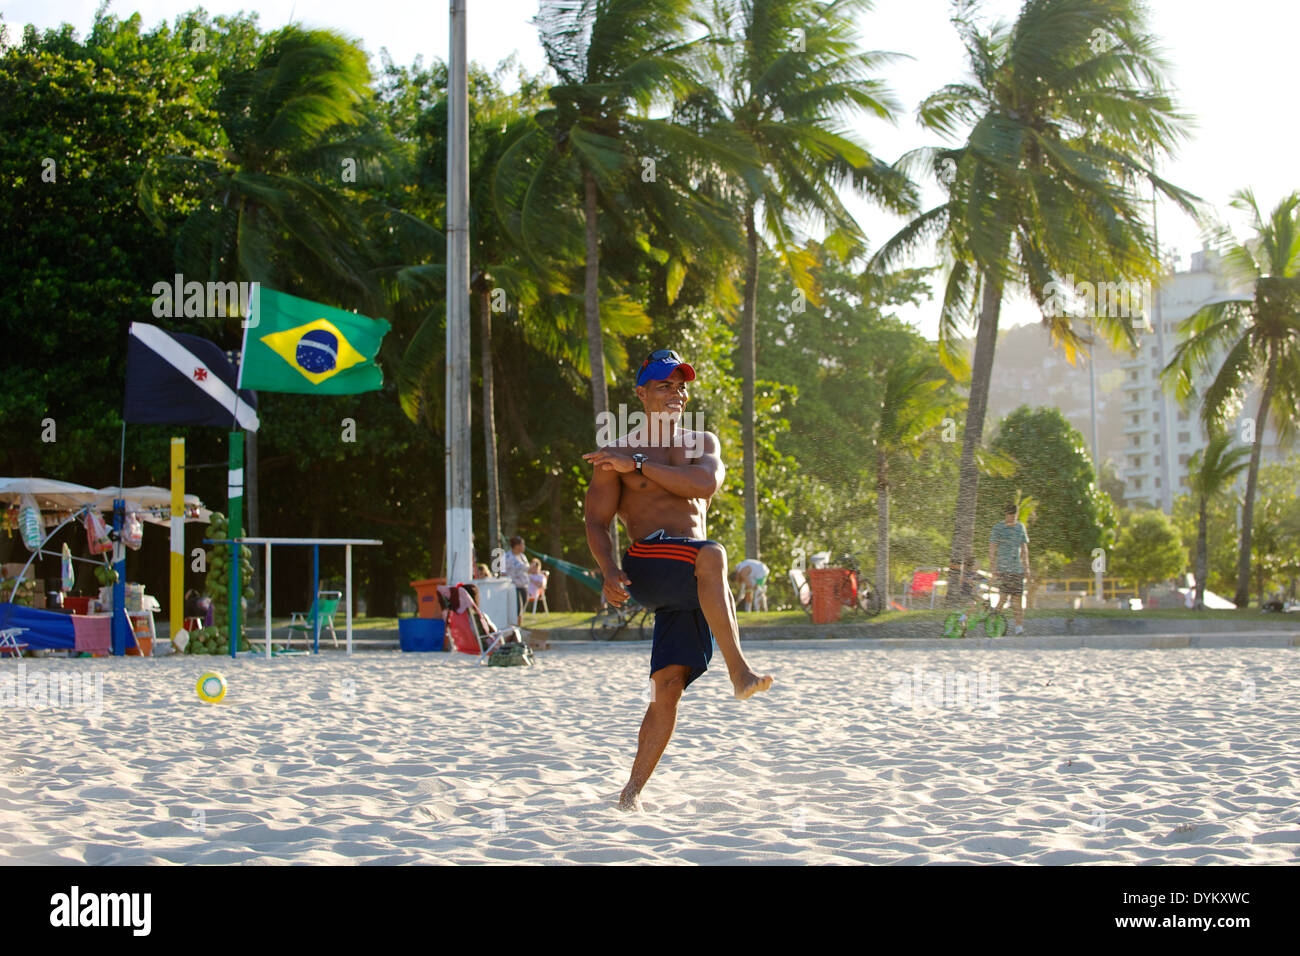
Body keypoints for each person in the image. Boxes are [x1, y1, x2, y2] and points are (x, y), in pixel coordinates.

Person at [584, 348, 774, 812]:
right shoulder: (618, 453)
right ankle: (740, 672)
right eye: (665, 385)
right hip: (650, 563)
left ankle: (630, 793)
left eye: (681, 385)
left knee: (668, 686)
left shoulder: (702, 443)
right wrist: (609, 570)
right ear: (642, 393)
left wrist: (644, 469)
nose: (676, 393)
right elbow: (595, 521)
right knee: (714, 554)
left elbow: (705, 484)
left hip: (691, 581)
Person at [989, 503, 1030, 635]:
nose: (1011, 518)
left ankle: (1019, 627)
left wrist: (1027, 567)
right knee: (1003, 598)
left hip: (1017, 569)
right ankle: (993, 623)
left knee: (1017, 600)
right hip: (1003, 569)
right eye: (1009, 515)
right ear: (1005, 514)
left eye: (1014, 516)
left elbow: (1024, 548)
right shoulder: (998, 528)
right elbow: (992, 548)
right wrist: (993, 567)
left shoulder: (1020, 527)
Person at [503, 535, 530, 616]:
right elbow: (502, 572)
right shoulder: (507, 556)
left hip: (523, 585)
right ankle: (515, 625)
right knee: (517, 608)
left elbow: (527, 569)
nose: (524, 546)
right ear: (517, 546)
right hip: (513, 586)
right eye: (522, 544)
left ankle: (519, 626)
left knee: (522, 609)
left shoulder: (523, 556)